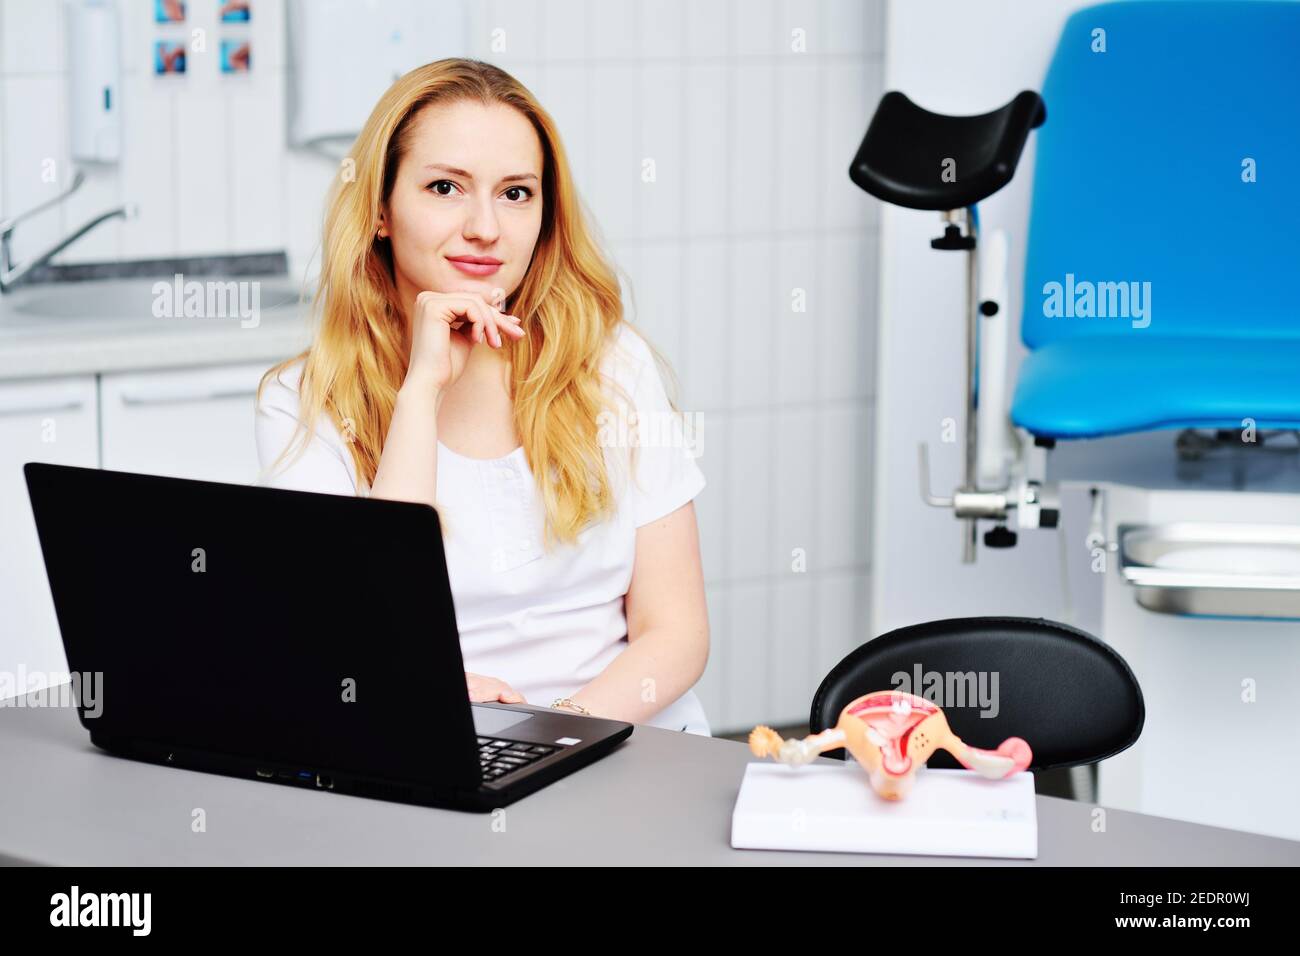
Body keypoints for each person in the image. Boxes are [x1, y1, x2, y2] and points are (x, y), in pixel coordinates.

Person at [255, 58, 711, 735]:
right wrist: (420, 391)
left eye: (516, 193)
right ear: (381, 210)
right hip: (431, 736)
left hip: (621, 737)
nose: (486, 228)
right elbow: (357, 642)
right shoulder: (303, 400)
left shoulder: (614, 364)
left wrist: (554, 732)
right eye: (446, 187)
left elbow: (675, 633)